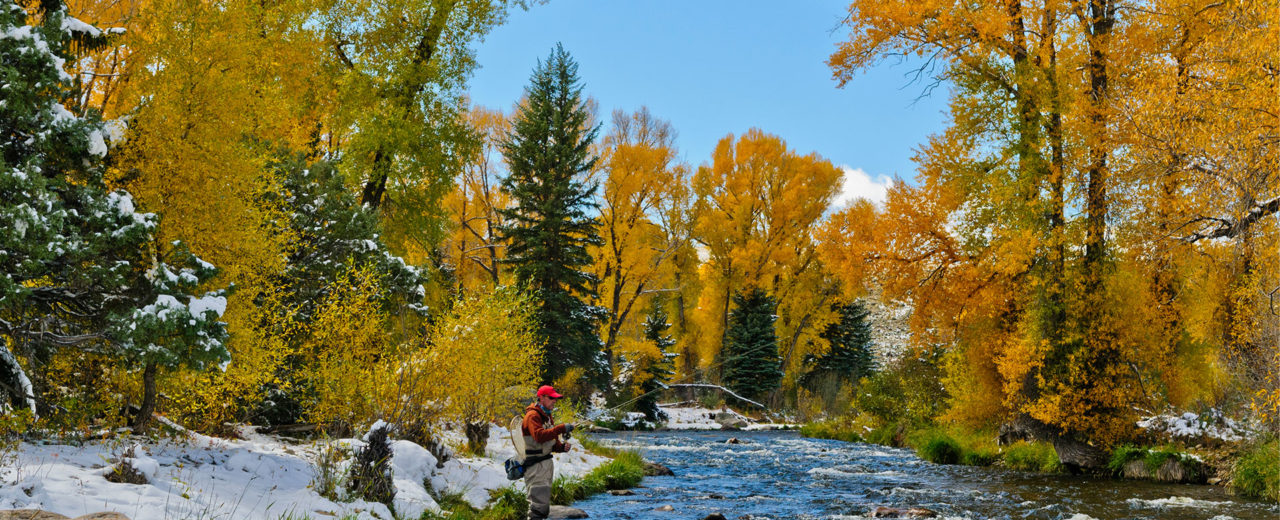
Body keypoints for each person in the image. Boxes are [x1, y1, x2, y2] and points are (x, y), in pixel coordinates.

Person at [522, 385, 575, 520]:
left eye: (555, 398)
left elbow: (550, 440)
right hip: (535, 466)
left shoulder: (547, 416)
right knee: (537, 507)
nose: (554, 401)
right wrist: (560, 428)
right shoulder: (532, 416)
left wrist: (561, 447)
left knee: (542, 506)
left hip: (545, 464)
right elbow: (539, 436)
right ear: (542, 398)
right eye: (551, 398)